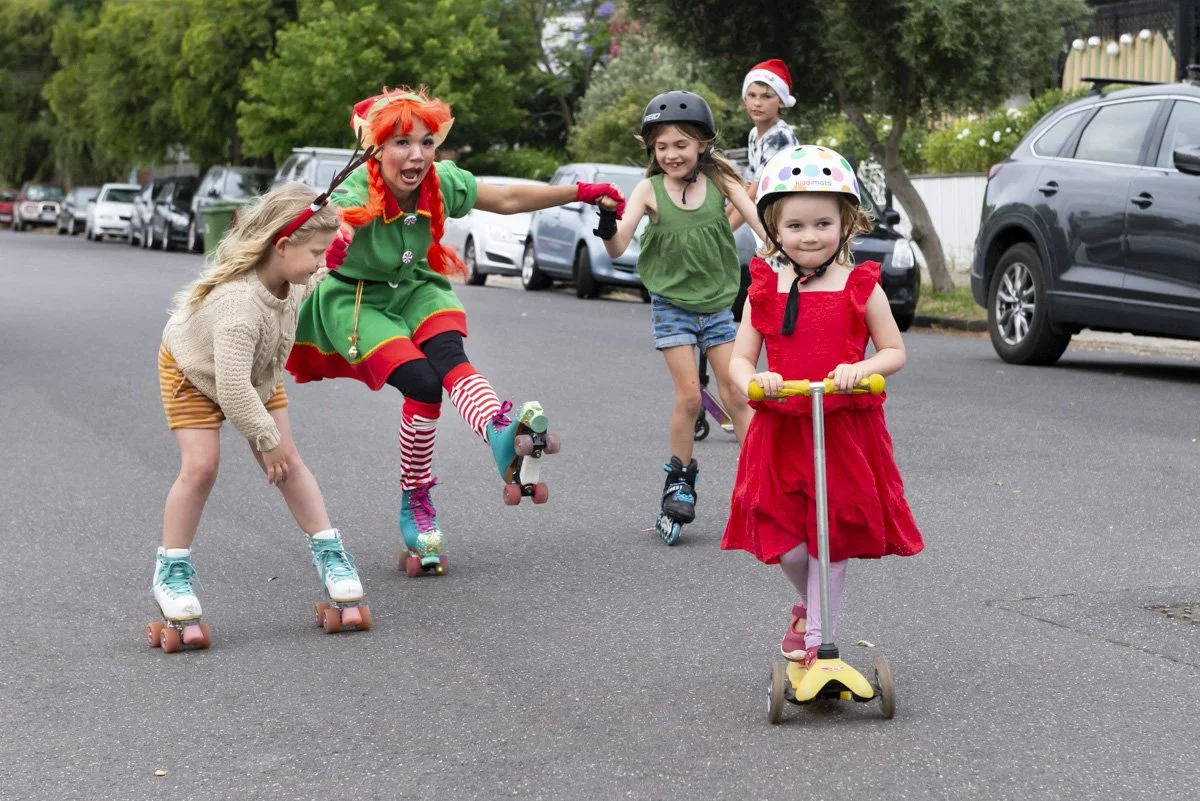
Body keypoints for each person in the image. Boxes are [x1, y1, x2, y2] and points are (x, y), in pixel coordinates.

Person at [286, 87, 624, 575]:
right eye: (401, 143)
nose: (418, 155)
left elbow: (506, 197)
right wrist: (331, 241)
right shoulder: (354, 190)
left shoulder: (439, 182)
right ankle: (416, 500)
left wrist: (581, 192)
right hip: (358, 297)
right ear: (375, 149)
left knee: (449, 354)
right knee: (423, 385)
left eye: (427, 143)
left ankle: (500, 432)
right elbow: (328, 221)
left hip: (416, 284)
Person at [722, 145, 924, 666]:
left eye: (822, 223)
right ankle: (807, 608)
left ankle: (818, 642)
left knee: (830, 539)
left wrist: (864, 369)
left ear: (846, 223)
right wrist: (757, 379)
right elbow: (739, 361)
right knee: (787, 541)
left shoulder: (861, 286)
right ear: (774, 228)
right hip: (784, 427)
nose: (809, 236)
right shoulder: (764, 288)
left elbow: (895, 351)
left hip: (843, 429)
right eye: (795, 226)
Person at [154, 182, 366, 644]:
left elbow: (321, 278)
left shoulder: (290, 277)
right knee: (201, 467)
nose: (318, 262)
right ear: (283, 245)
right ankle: (171, 572)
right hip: (193, 370)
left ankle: (331, 555)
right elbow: (230, 390)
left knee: (290, 465)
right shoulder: (238, 306)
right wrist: (266, 439)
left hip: (255, 375)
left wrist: (343, 251)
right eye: (314, 252)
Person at [597, 90, 764, 541]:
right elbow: (616, 248)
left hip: (716, 306)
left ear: (703, 145)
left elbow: (760, 225)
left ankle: (758, 486)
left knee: (739, 395)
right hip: (671, 306)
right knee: (690, 398)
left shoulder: (722, 181)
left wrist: (789, 258)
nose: (671, 154)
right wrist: (607, 221)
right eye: (662, 146)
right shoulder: (648, 189)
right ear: (652, 149)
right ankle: (679, 480)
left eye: (681, 144)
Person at [727, 58, 800, 320]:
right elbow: (745, 185)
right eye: (752, 95)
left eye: (767, 96)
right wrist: (722, 218)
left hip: (783, 218)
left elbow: (755, 190)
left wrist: (723, 231)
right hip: (764, 220)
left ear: (780, 101)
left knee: (782, 284)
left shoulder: (779, 136)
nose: (757, 102)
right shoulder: (754, 135)